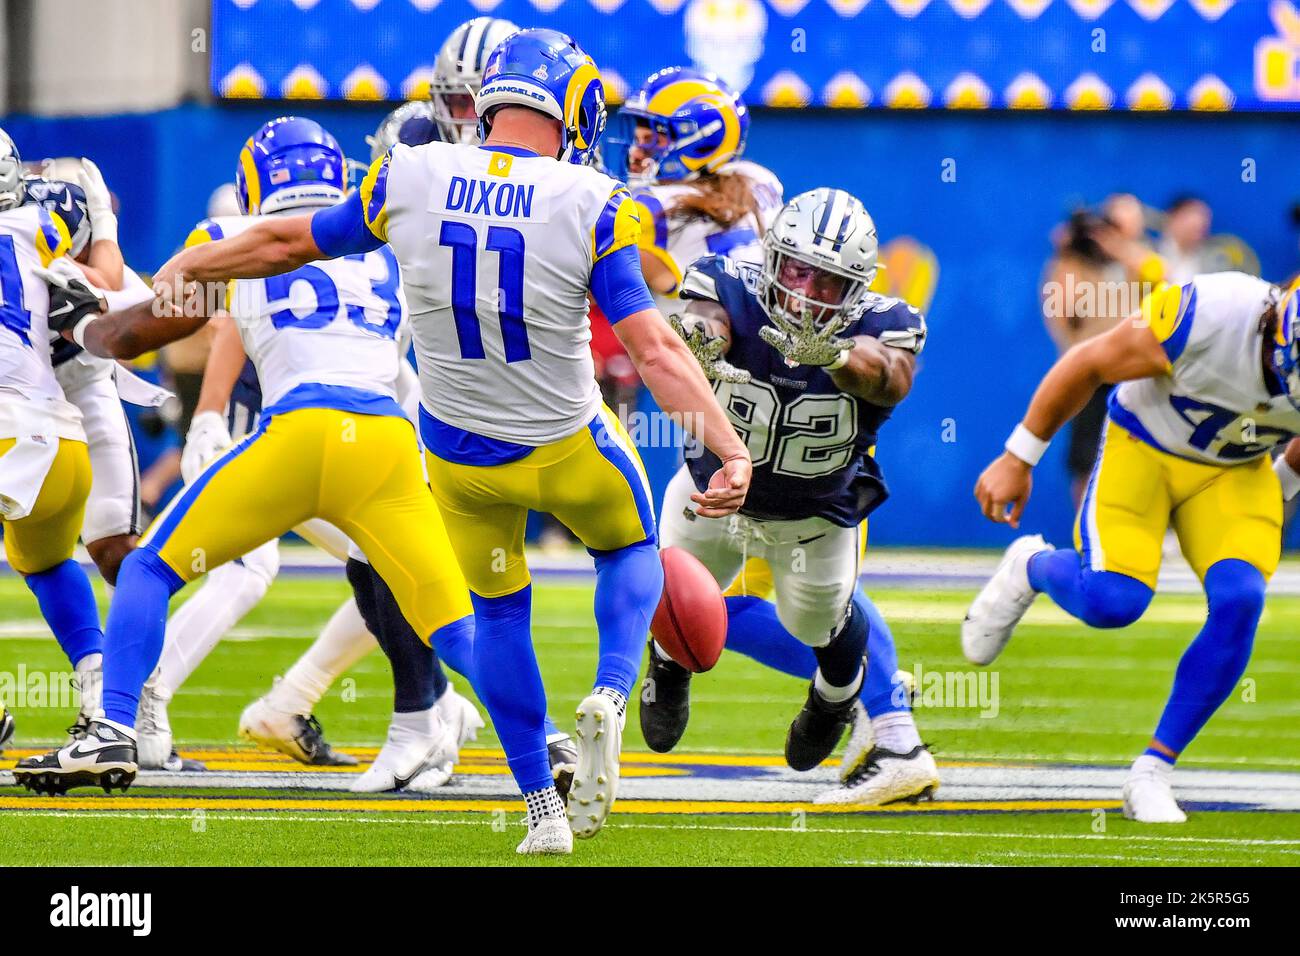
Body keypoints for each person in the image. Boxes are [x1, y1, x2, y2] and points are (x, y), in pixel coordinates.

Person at [129, 28, 752, 855]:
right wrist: (727, 446)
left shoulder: (409, 174)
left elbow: (284, 241)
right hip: (565, 442)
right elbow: (655, 350)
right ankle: (609, 690)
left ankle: (541, 809)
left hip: (462, 458)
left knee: (498, 617)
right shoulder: (596, 201)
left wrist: (193, 266)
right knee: (630, 547)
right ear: (572, 111)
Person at [15, 117, 475, 807]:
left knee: (151, 568)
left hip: (295, 433)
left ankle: (117, 723)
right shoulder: (392, 243)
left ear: (257, 181)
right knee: (445, 613)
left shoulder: (230, 236)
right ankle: (542, 740)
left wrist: (86, 323)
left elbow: (142, 332)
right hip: (386, 436)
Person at [965, 272, 1300, 823]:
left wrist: (1280, 485)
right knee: (1112, 602)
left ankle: (1153, 770)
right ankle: (1031, 565)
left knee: (1240, 600)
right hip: (1145, 444)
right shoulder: (1212, 313)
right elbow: (1089, 363)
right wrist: (1019, 456)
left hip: (1236, 472)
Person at [645, 188, 938, 804]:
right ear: (773, 257)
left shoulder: (886, 322)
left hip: (815, 517)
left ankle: (835, 697)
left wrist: (836, 355)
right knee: (669, 597)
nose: (806, 292)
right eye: (797, 270)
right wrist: (697, 339)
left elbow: (890, 378)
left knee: (816, 623)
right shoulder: (732, 283)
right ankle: (667, 667)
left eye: (827, 281)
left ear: (856, 288)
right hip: (714, 492)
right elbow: (708, 317)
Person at [0, 129, 105, 763]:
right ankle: (100, 701)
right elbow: (110, 289)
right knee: (46, 565)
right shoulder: (41, 228)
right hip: (63, 440)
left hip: (8, 435)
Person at [1041, 193, 1164, 506]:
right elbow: (1061, 312)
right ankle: (1085, 527)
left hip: (1135, 372)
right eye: (1110, 225)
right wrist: (1069, 251)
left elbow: (1165, 282)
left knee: (1144, 455)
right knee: (1086, 459)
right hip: (1089, 374)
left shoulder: (1142, 257)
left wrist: (1120, 249)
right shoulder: (1073, 262)